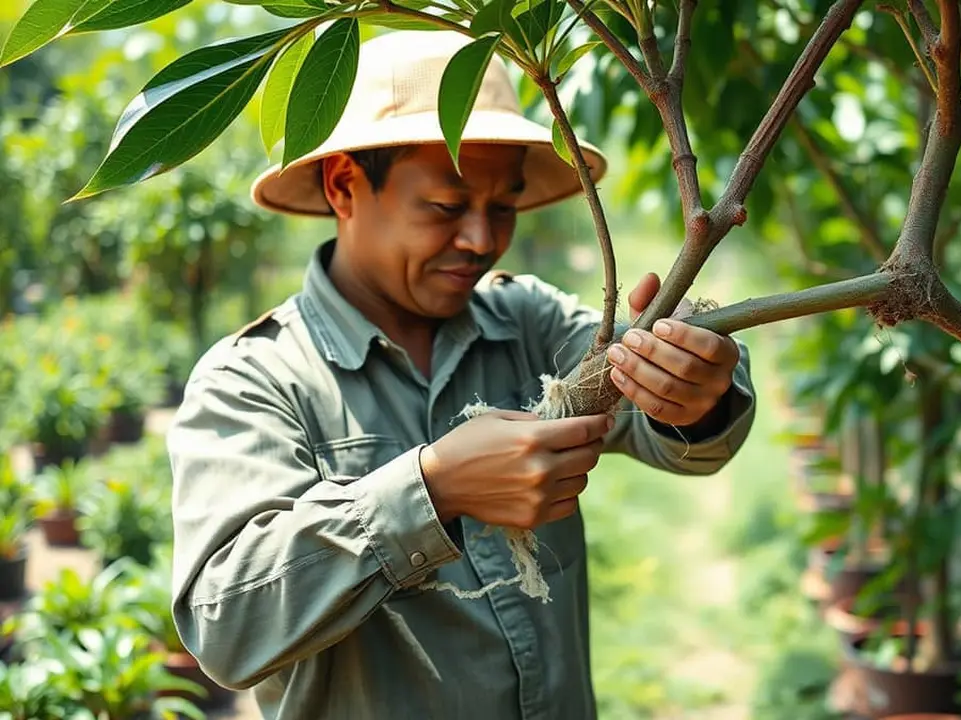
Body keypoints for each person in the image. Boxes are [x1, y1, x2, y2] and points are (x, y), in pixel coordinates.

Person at [165, 29, 756, 720]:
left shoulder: (528, 323)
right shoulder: (257, 380)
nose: (481, 239)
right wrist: (431, 489)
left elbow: (680, 441)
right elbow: (225, 627)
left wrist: (694, 390)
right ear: (344, 186)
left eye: (501, 207)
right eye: (446, 207)